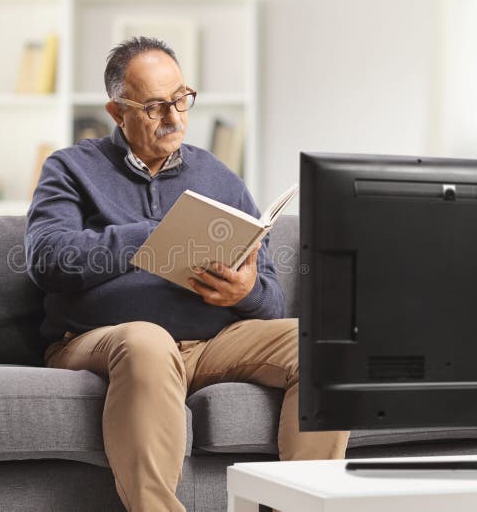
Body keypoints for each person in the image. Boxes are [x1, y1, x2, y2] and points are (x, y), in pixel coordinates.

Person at [25, 36, 349, 512]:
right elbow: (47, 260)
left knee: (327, 347)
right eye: (156, 107)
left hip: (211, 343)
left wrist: (245, 292)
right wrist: (151, 234)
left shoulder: (218, 177)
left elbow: (273, 300)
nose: (175, 117)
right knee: (147, 340)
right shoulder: (72, 169)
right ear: (117, 112)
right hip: (99, 339)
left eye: (181, 99)